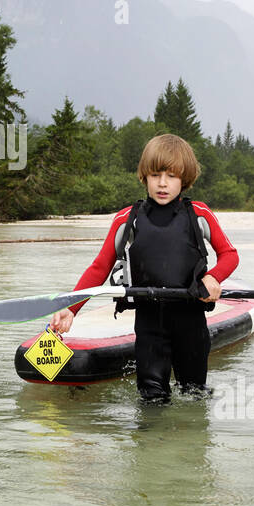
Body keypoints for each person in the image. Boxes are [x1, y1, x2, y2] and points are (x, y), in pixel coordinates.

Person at [49, 133, 238, 402]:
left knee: (194, 396)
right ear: (144, 176)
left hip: (191, 323)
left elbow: (230, 255)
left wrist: (212, 278)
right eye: (155, 175)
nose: (163, 183)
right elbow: (99, 268)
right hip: (150, 325)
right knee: (151, 399)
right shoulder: (128, 219)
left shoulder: (199, 214)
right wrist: (71, 308)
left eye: (171, 175)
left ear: (185, 178)